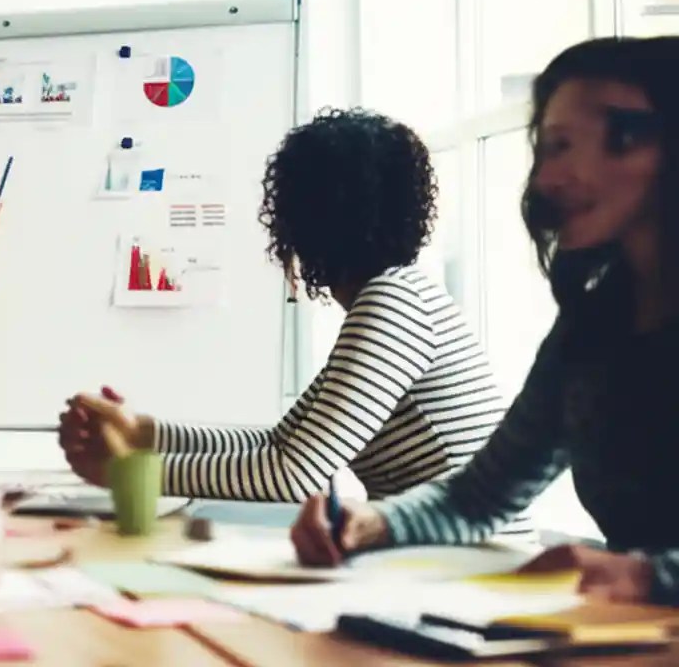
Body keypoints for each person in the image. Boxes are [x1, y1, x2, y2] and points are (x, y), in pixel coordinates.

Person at [290, 36, 679, 606]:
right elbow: (478, 497)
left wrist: (649, 578)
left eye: (569, 146)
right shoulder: (591, 331)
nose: (547, 179)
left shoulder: (395, 300)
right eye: (547, 148)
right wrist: (370, 522)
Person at [59, 109, 525, 530]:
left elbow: (295, 474)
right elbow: (281, 443)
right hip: (448, 556)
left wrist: (126, 470)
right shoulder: (399, 296)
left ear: (299, 218)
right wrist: (142, 432)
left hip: (467, 566)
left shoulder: (393, 303)